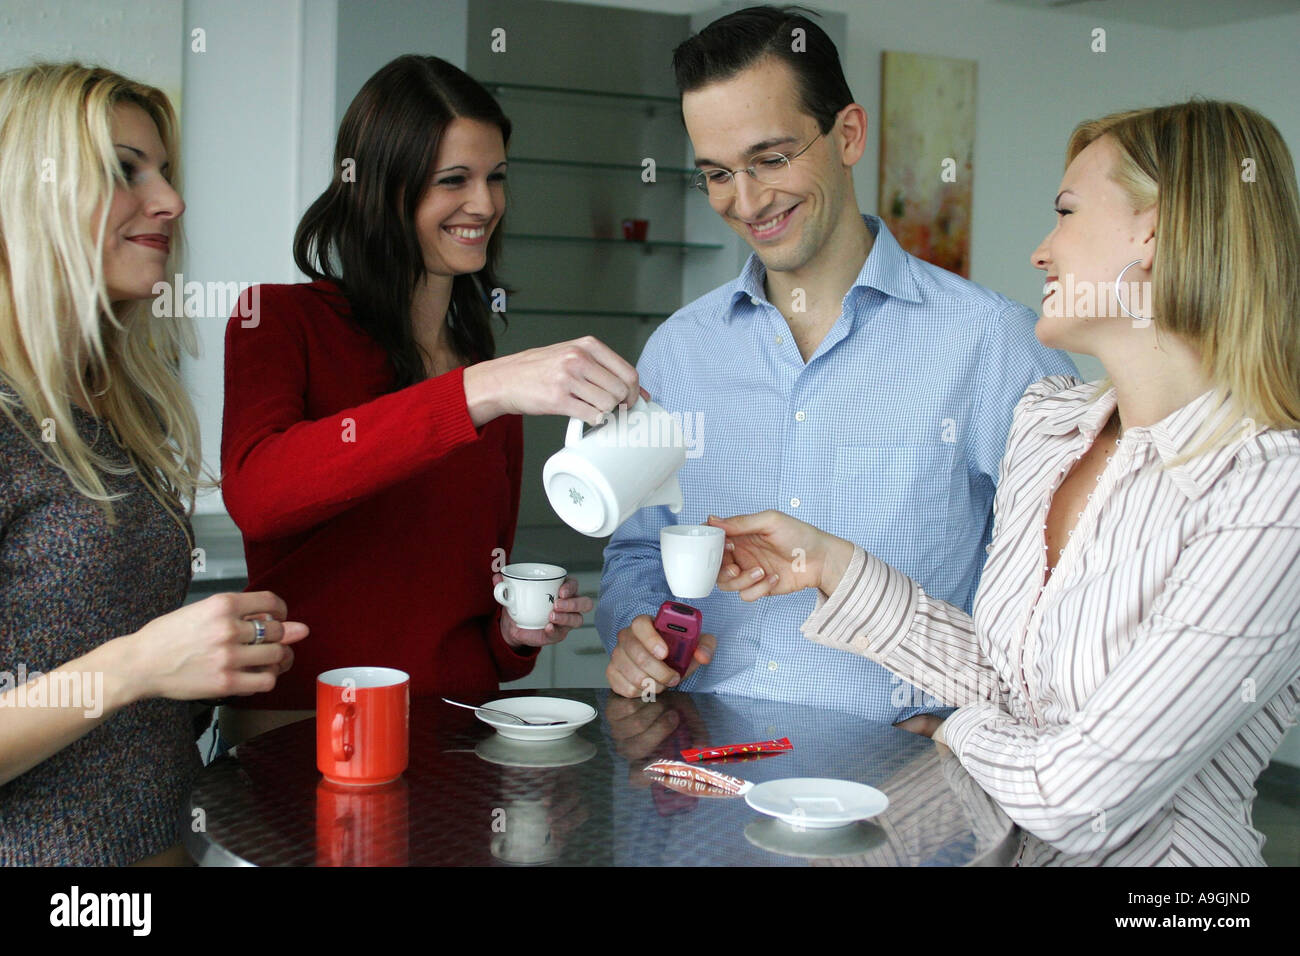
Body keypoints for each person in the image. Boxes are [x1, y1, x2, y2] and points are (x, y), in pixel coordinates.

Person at [710, 99, 1300, 865]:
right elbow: (1009, 679)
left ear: (1153, 231)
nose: (1041, 251)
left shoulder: (1271, 491)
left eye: (1065, 212)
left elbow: (1081, 797)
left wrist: (959, 728)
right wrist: (829, 565)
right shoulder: (1052, 425)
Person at [598, 5, 1076, 728]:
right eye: (718, 173)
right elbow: (635, 552)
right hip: (696, 782)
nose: (748, 201)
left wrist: (976, 723)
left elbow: (1068, 592)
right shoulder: (677, 351)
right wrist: (634, 628)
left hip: (904, 796)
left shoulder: (994, 344)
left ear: (848, 135)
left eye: (771, 158)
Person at [220, 55, 643, 745]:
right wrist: (481, 390)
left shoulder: (486, 382)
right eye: (455, 180)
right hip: (307, 735)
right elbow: (260, 494)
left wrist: (514, 631)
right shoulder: (276, 321)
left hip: (456, 737)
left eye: (496, 177)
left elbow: (475, 628)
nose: (485, 204)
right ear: (382, 190)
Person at [0, 63, 305, 866]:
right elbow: (119, 670)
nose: (169, 200)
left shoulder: (111, 409)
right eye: (123, 170)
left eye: (164, 170)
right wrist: (139, 664)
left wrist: (204, 666)